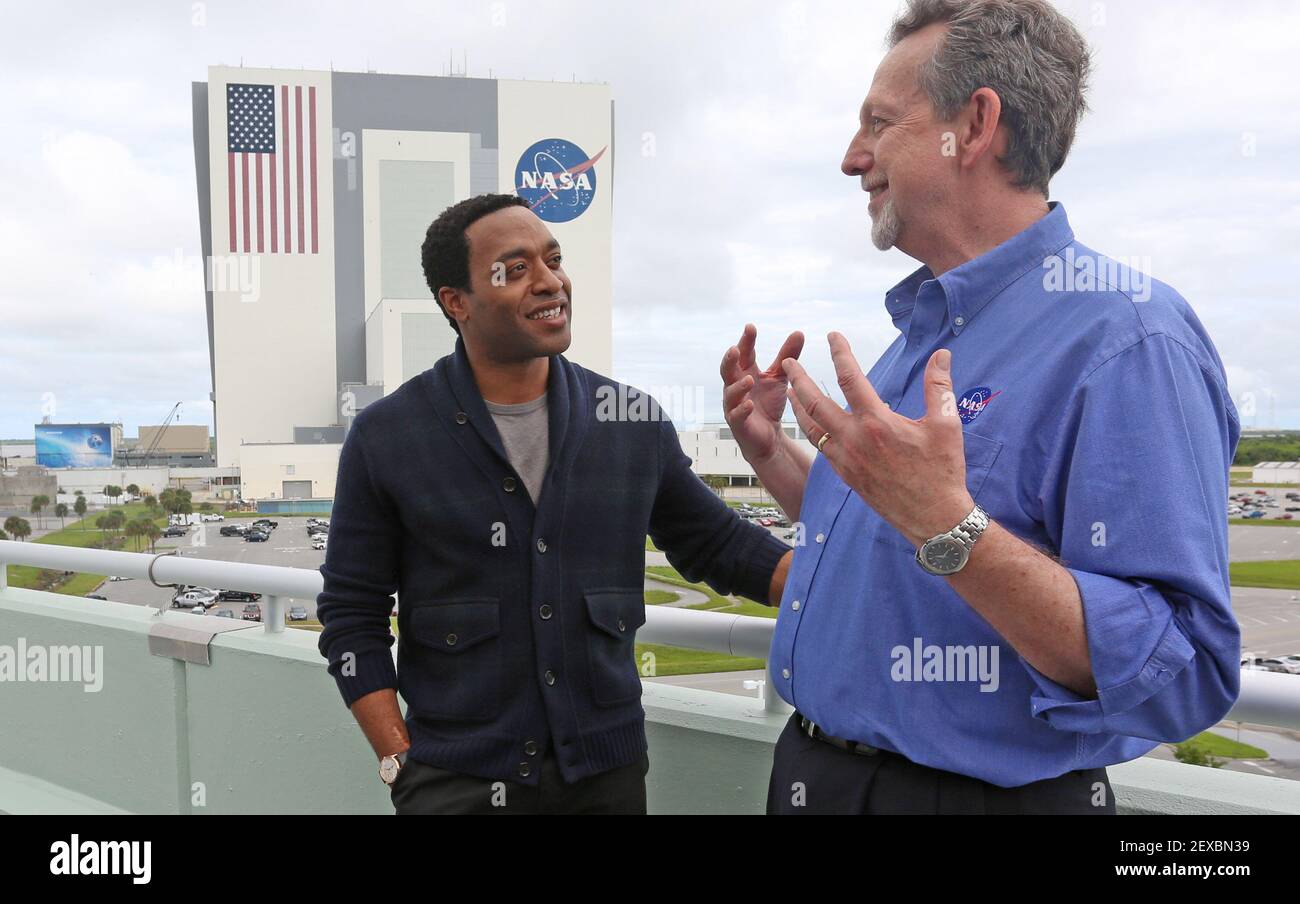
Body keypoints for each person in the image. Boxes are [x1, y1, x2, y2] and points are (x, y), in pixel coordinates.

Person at [721, 0, 1240, 814]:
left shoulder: (1130, 337)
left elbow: (1183, 670)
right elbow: (882, 529)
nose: (852, 159)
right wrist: (774, 456)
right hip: (814, 776)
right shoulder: (918, 340)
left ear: (977, 123)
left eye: (879, 124)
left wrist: (948, 528)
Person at [318, 193, 792, 814]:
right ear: (455, 301)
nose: (550, 282)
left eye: (553, 260)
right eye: (515, 270)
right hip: (454, 784)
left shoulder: (629, 422)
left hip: (606, 779)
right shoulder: (387, 437)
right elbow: (352, 615)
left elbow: (723, 547)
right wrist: (398, 763)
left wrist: (864, 581)